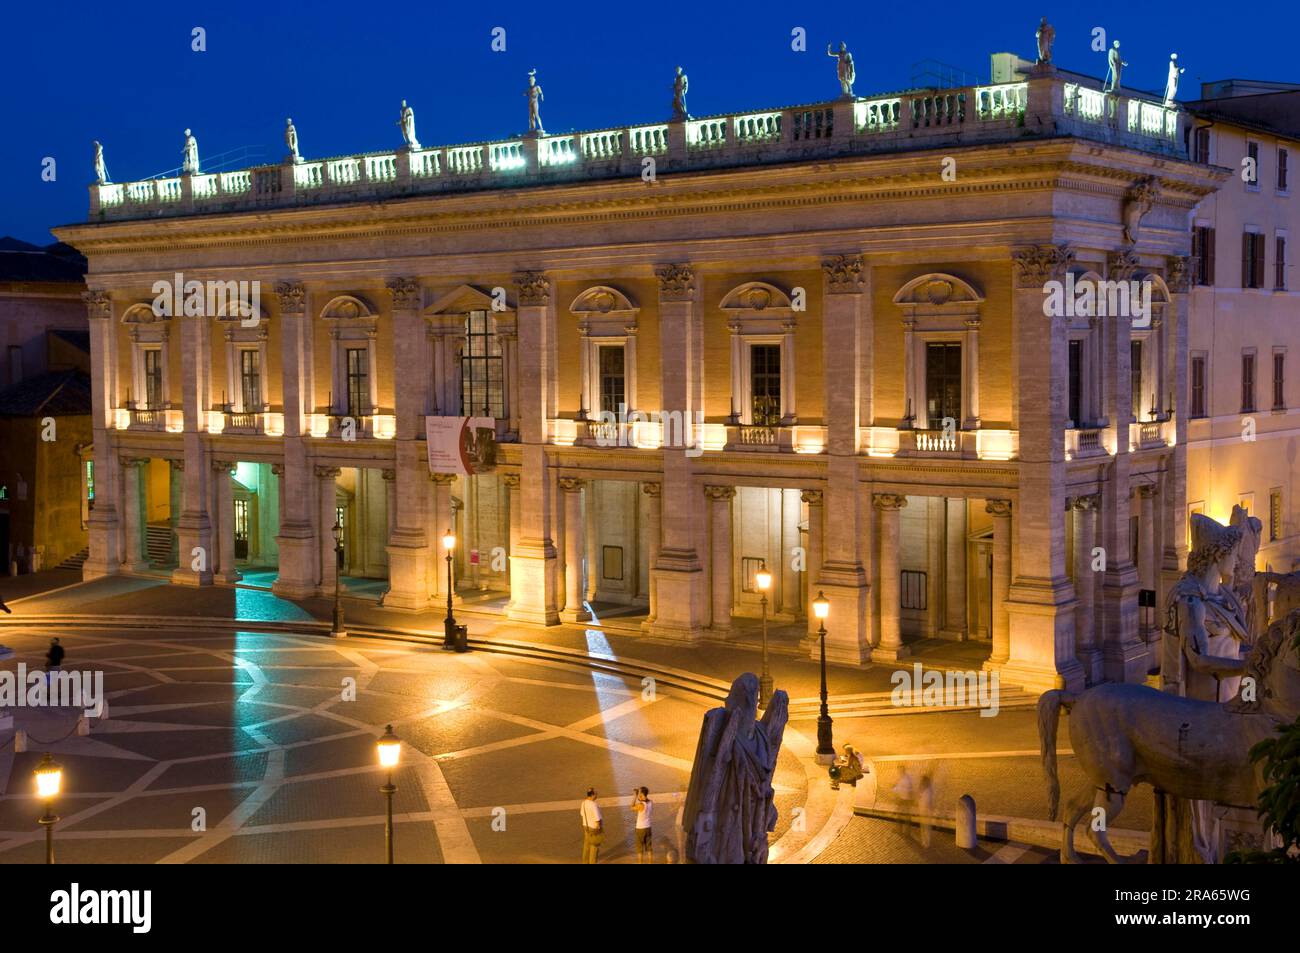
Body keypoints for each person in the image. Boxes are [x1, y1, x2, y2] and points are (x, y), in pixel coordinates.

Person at [579, 787, 603, 864]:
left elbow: (582, 814)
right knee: (594, 848)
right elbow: (597, 819)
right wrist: (599, 828)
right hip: (594, 828)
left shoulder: (583, 803)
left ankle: (585, 862)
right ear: (592, 795)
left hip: (586, 826)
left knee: (586, 846)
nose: (597, 795)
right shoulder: (593, 804)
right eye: (596, 794)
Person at [632, 786, 653, 863]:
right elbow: (643, 800)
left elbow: (631, 807)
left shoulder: (641, 805)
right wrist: (639, 797)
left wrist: (634, 796)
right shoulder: (650, 802)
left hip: (640, 828)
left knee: (640, 849)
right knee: (649, 848)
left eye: (639, 792)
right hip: (648, 827)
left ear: (642, 794)